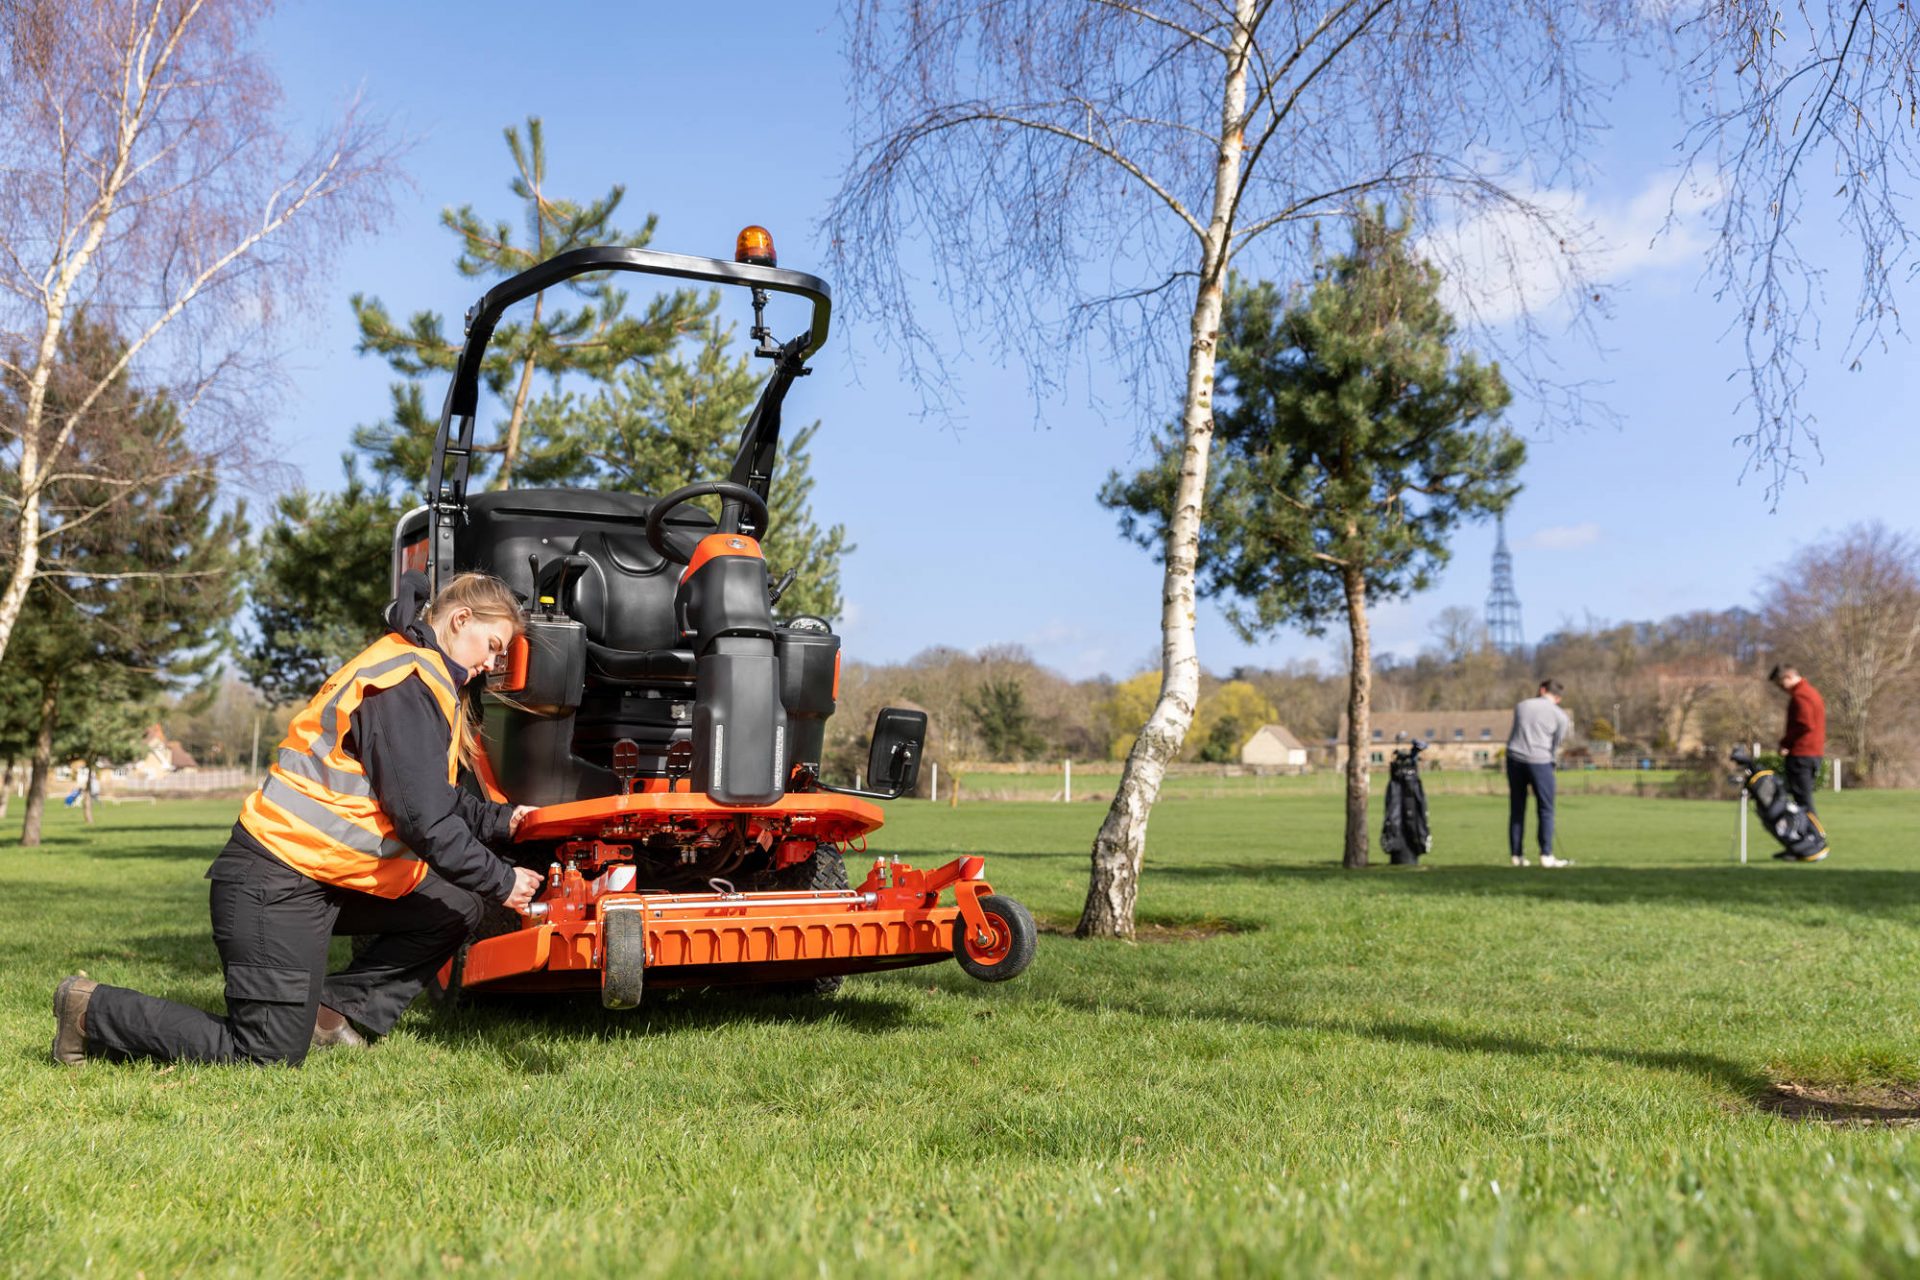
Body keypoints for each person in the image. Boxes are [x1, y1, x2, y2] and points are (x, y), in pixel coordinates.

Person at [50, 573, 544, 1067]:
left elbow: (436, 797)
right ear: (460, 619)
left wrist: (505, 822)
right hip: (273, 883)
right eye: (493, 645)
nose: (491, 664)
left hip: (325, 878)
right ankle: (89, 1010)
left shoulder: (423, 677)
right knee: (264, 1054)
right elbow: (424, 821)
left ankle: (329, 1016)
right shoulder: (403, 683)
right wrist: (501, 879)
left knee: (456, 906)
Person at [1506, 678, 1573, 868]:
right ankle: (1546, 855)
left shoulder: (1521, 706)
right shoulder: (1561, 716)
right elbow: (1555, 742)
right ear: (1558, 698)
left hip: (1514, 759)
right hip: (1541, 761)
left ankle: (1516, 855)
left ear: (1542, 690)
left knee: (1517, 809)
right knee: (1545, 809)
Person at [1769, 663, 1827, 814]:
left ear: (1788, 677)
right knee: (1803, 800)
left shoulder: (1801, 695)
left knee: (1803, 802)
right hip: (1813, 753)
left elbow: (1805, 723)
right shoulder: (1811, 692)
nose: (1782, 688)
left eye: (1781, 684)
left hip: (1802, 755)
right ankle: (1811, 834)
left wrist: (1785, 743)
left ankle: (1814, 835)